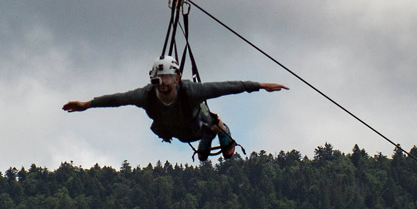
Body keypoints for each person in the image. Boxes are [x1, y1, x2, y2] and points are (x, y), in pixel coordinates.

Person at [62, 56, 289, 161]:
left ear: (177, 78)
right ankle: (208, 137)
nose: (164, 82)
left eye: (168, 77)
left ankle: (221, 130)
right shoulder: (146, 96)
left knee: (208, 121)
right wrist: (87, 104)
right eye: (160, 78)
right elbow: (117, 99)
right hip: (175, 132)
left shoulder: (190, 91)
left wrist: (260, 86)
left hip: (197, 125)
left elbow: (227, 87)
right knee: (194, 144)